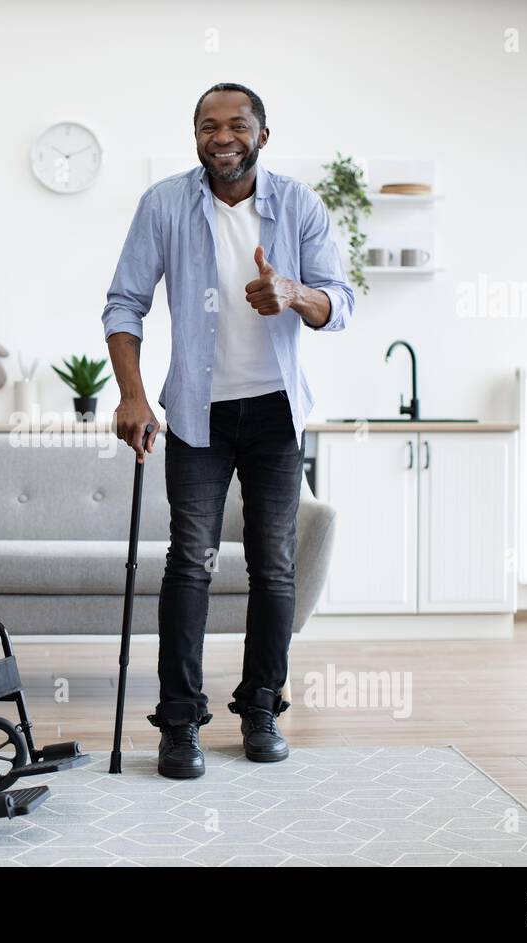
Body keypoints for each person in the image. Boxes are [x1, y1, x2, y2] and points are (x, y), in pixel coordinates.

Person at [102, 82, 353, 779]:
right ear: (196, 136)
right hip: (195, 411)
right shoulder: (165, 204)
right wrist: (132, 396)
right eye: (208, 126)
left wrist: (295, 294)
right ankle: (179, 722)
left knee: (274, 565)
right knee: (191, 562)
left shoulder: (298, 205)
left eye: (237, 125)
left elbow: (343, 300)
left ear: (261, 136)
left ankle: (261, 706)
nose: (223, 137)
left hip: (275, 409)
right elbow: (124, 305)